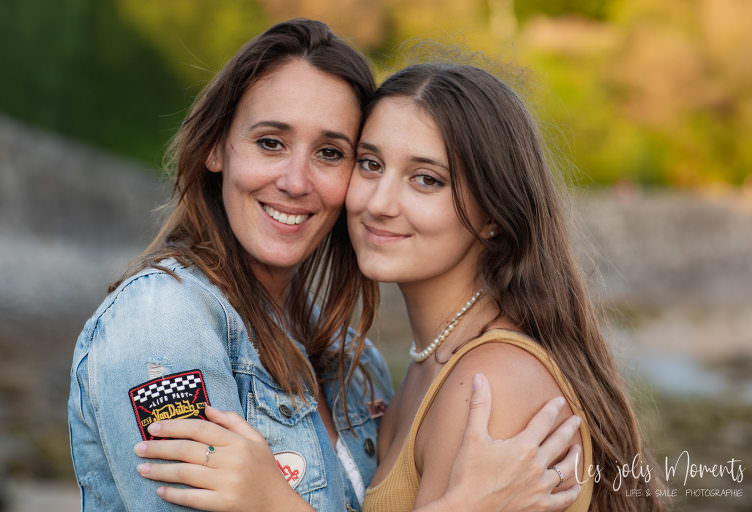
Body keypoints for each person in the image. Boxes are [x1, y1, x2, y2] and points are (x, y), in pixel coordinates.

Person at [68, 20, 583, 512]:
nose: (295, 181)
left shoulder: (355, 366)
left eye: (331, 153)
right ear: (215, 148)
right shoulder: (161, 323)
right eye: (271, 142)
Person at [136, 60, 668, 511]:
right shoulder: (420, 371)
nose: (379, 202)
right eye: (370, 164)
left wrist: (275, 501)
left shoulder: (492, 383)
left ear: (492, 215)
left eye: (426, 179)